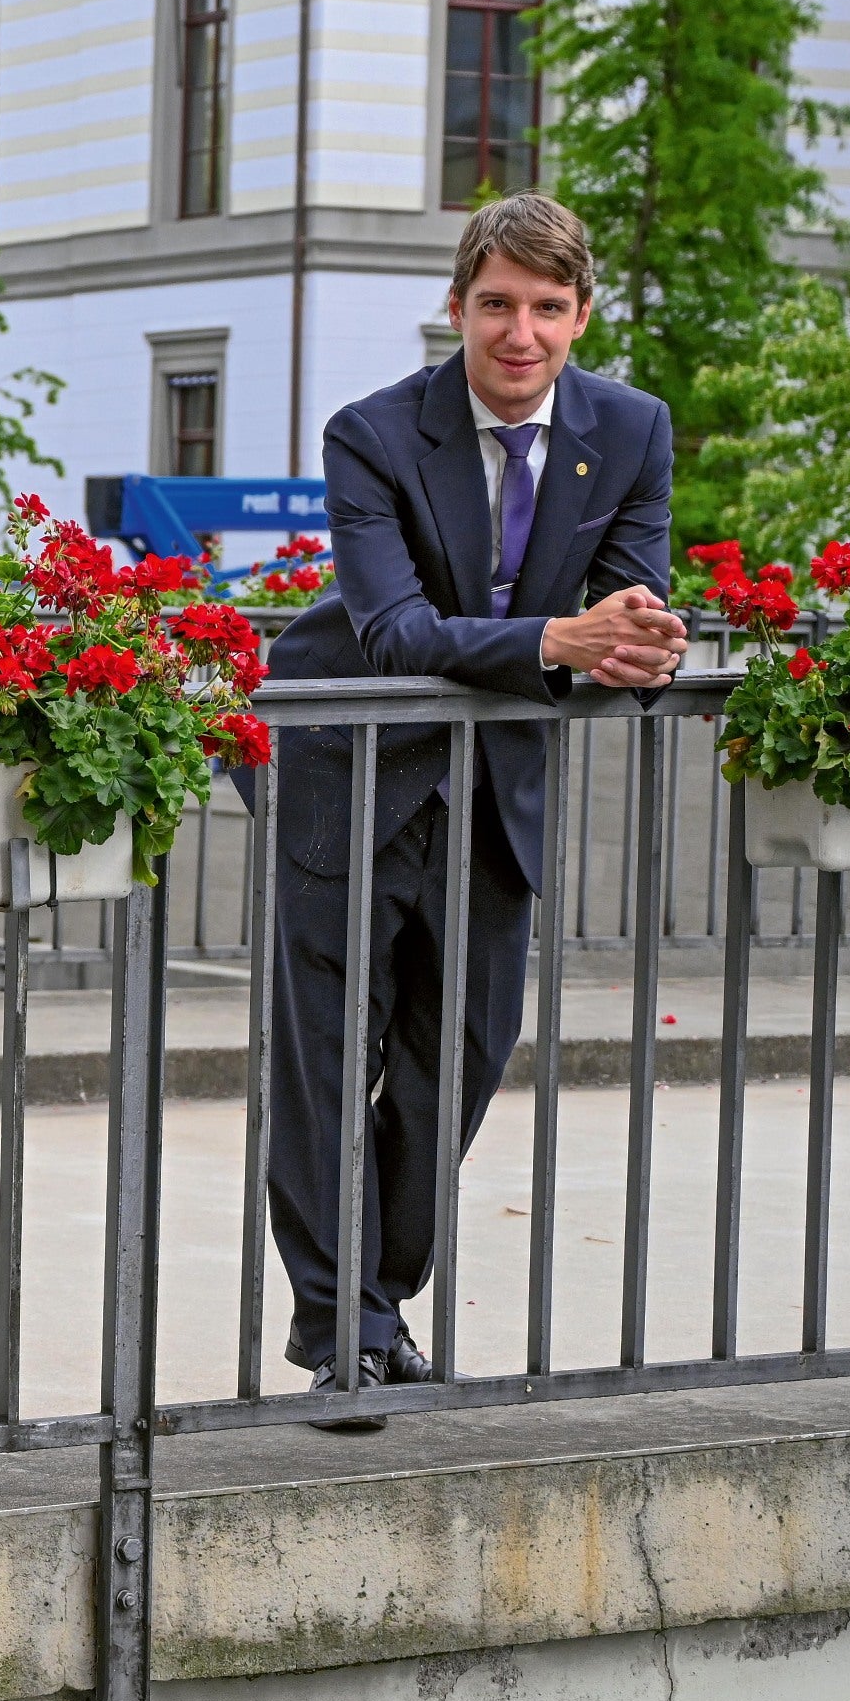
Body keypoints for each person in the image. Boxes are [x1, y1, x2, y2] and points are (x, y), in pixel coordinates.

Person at [256, 192, 682, 1422]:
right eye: (497, 304)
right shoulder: (374, 435)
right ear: (458, 308)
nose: (522, 333)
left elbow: (630, 596)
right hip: (355, 766)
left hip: (497, 788)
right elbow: (395, 631)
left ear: (581, 315)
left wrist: (647, 634)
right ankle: (348, 1338)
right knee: (331, 1067)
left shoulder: (631, 429)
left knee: (459, 1064)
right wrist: (560, 637)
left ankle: (370, 1302)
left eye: (549, 308)